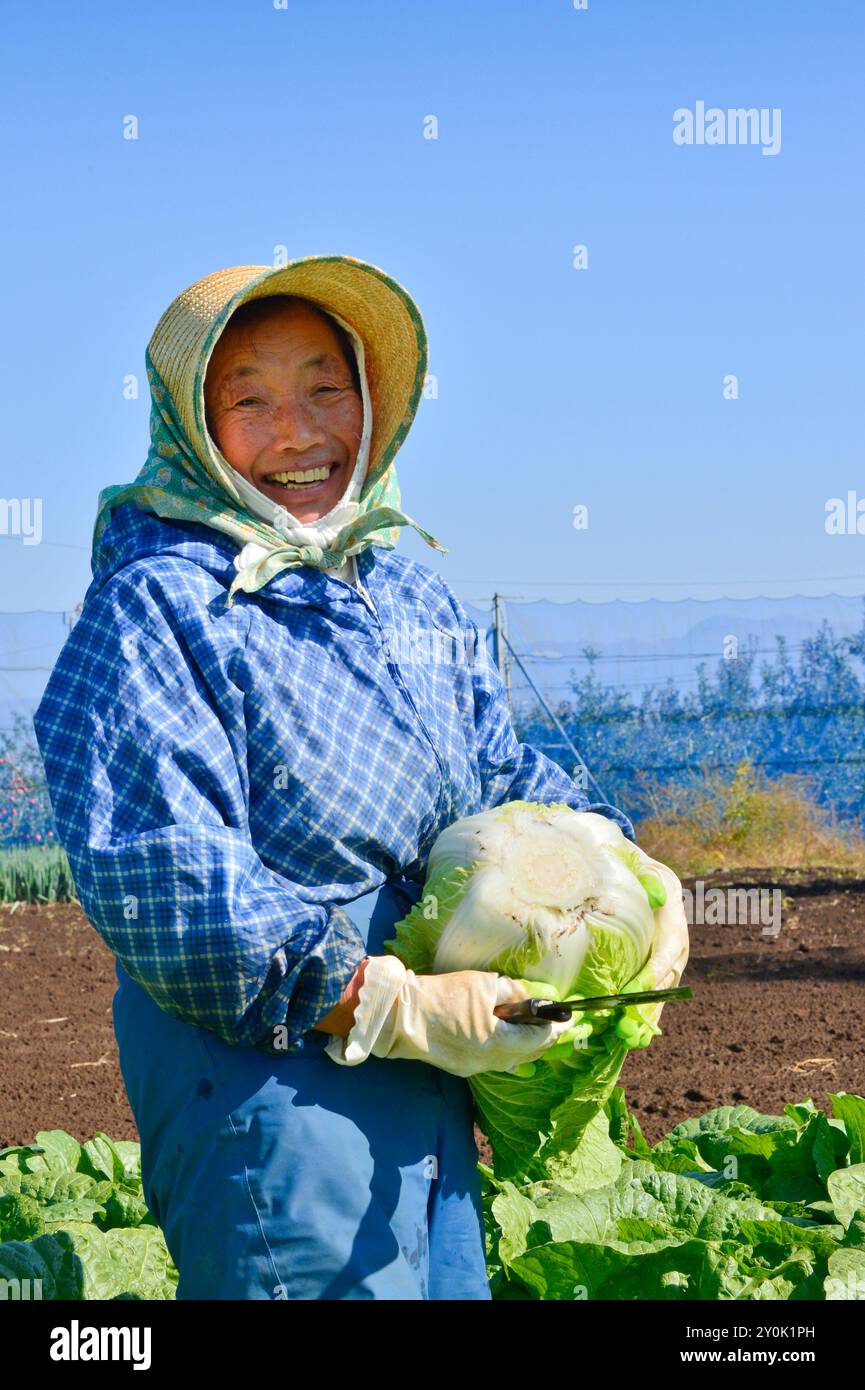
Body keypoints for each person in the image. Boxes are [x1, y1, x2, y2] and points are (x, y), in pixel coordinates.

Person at [34, 255, 688, 1300]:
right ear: (192, 425)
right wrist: (380, 1002)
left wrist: (617, 862)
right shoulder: (156, 611)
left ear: (374, 404)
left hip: (432, 1081)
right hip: (269, 1084)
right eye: (249, 400)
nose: (297, 432)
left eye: (325, 389)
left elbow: (500, 769)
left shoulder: (403, 593)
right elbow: (168, 880)